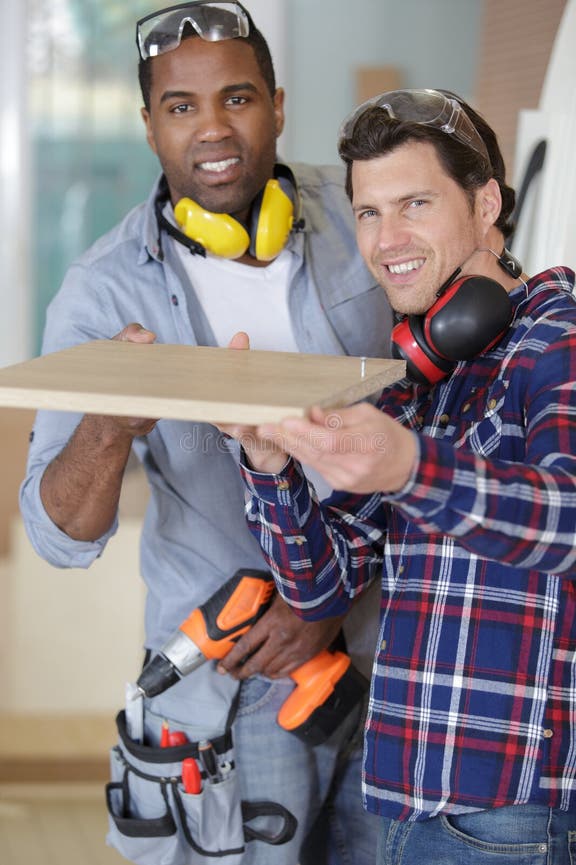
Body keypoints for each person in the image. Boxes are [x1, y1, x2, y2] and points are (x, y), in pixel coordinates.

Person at [19, 3, 393, 864]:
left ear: (278, 106)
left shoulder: (362, 219)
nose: (213, 128)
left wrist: (325, 598)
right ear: (149, 126)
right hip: (240, 682)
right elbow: (58, 534)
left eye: (238, 97)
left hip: (396, 645)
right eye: (181, 106)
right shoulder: (105, 290)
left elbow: (440, 416)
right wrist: (111, 417)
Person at [229, 88, 576, 864]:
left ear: (486, 203)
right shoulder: (417, 379)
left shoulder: (557, 341)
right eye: (368, 212)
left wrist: (412, 467)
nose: (388, 240)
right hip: (399, 791)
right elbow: (319, 587)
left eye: (415, 203)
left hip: (507, 815)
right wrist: (269, 463)